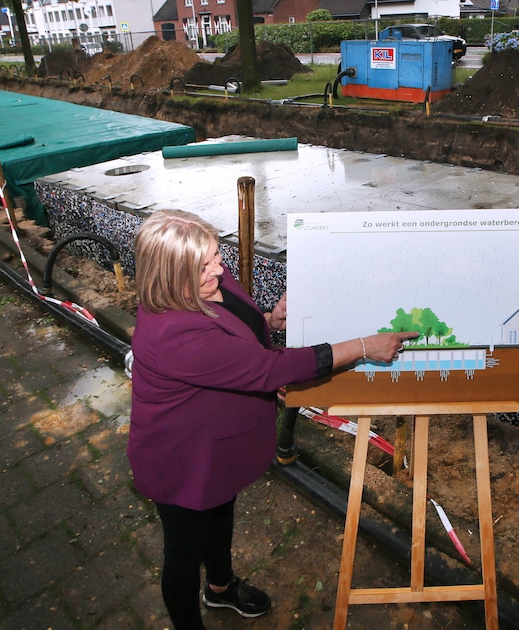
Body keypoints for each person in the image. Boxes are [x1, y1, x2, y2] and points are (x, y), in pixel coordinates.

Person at [127, 209, 417, 630]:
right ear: (172, 276)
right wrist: (363, 346)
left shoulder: (203, 285)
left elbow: (231, 335)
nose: (220, 269)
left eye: (215, 256)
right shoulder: (172, 333)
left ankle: (221, 589)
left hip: (213, 445)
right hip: (181, 460)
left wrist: (268, 320)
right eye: (205, 265)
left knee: (220, 509)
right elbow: (268, 368)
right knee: (183, 555)